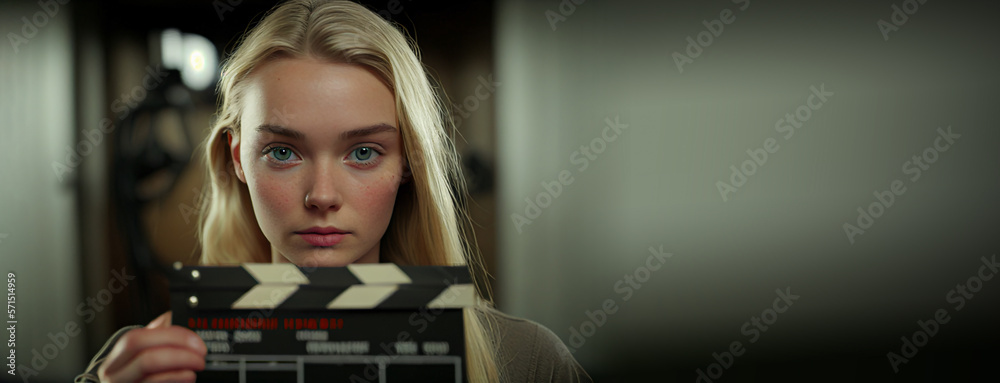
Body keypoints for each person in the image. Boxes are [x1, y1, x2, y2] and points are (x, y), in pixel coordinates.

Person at [75, 1, 591, 382]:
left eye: (364, 152)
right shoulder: (147, 361)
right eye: (283, 152)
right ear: (238, 158)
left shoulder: (529, 362)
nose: (321, 195)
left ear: (408, 162)